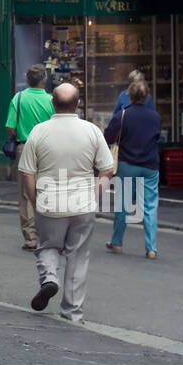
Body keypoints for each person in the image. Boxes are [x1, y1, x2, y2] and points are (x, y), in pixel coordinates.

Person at [18, 82, 115, 323]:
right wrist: (95, 196)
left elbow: (27, 173)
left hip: (49, 201)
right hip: (83, 204)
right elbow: (107, 169)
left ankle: (50, 277)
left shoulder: (39, 132)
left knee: (48, 246)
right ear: (78, 104)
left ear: (52, 103)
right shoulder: (92, 131)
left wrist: (34, 199)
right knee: (78, 256)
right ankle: (72, 312)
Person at [103, 78, 162, 259]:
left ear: (129, 95)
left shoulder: (122, 115)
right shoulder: (155, 117)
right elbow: (157, 138)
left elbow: (109, 136)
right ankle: (151, 248)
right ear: (146, 97)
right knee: (150, 206)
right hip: (150, 165)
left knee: (123, 204)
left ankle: (117, 242)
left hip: (128, 163)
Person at [5, 64, 55, 252]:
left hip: (25, 147)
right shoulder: (52, 100)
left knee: (26, 194)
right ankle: (48, 234)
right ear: (45, 80)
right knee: (48, 189)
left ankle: (31, 237)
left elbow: (10, 127)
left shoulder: (18, 98)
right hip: (49, 148)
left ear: (28, 80)